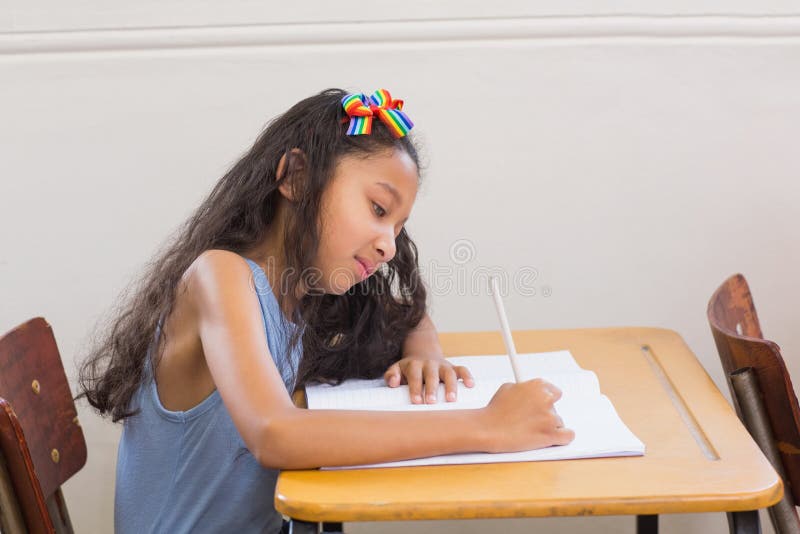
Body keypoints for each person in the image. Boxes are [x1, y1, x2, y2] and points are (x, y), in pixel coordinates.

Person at [79, 88, 574, 533]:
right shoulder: (220, 277)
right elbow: (274, 434)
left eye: (398, 227)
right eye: (379, 210)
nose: (388, 245)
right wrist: (484, 426)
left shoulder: (301, 291)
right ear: (295, 177)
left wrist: (425, 351)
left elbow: (408, 313)